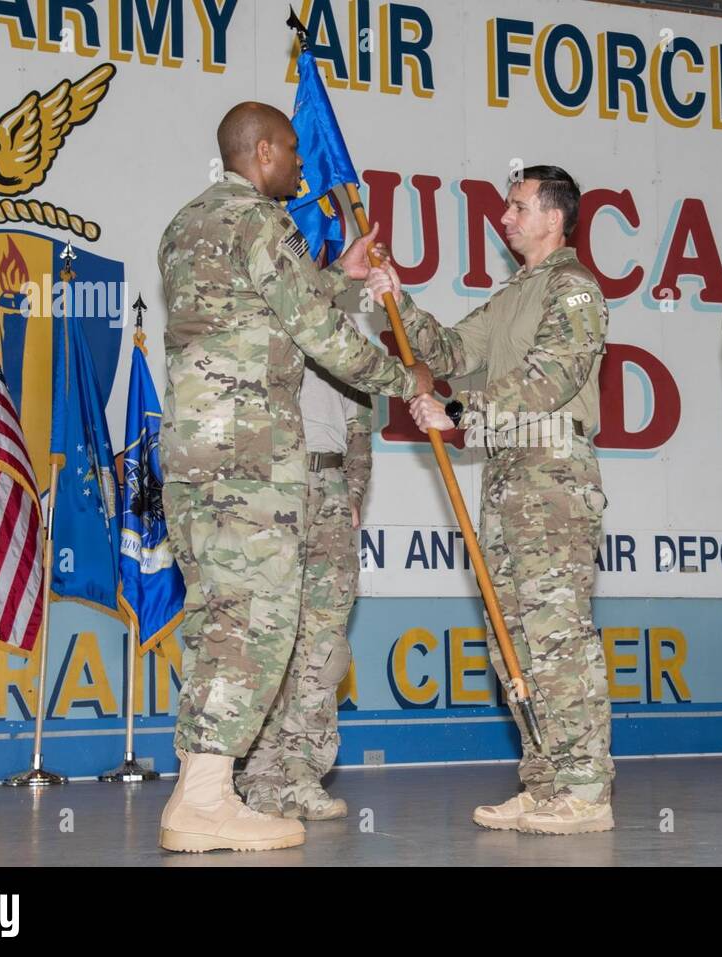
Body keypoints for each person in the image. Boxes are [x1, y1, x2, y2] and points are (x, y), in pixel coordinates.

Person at [156, 101, 431, 852]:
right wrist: (409, 382)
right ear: (266, 151)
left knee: (218, 616)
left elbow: (265, 312)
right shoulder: (259, 221)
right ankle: (208, 798)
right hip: (251, 457)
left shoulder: (185, 226)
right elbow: (319, 334)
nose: (305, 169)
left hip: (192, 452)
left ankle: (197, 789)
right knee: (257, 620)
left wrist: (335, 280)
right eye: (294, 156)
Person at [366, 165, 614, 835]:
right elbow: (448, 349)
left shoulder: (574, 288)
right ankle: (545, 783)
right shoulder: (513, 294)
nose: (503, 216)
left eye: (517, 205)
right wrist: (398, 297)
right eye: (506, 205)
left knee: (559, 634)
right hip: (506, 473)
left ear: (554, 217)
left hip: (553, 475)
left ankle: (587, 788)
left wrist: (456, 408)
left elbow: (551, 376)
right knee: (516, 642)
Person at [234, 358, 371, 821]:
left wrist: (352, 491)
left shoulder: (345, 337)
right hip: (271, 483)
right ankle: (260, 776)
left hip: (330, 486)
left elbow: (359, 428)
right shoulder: (270, 308)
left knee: (324, 644)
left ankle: (302, 773)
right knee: (267, 636)